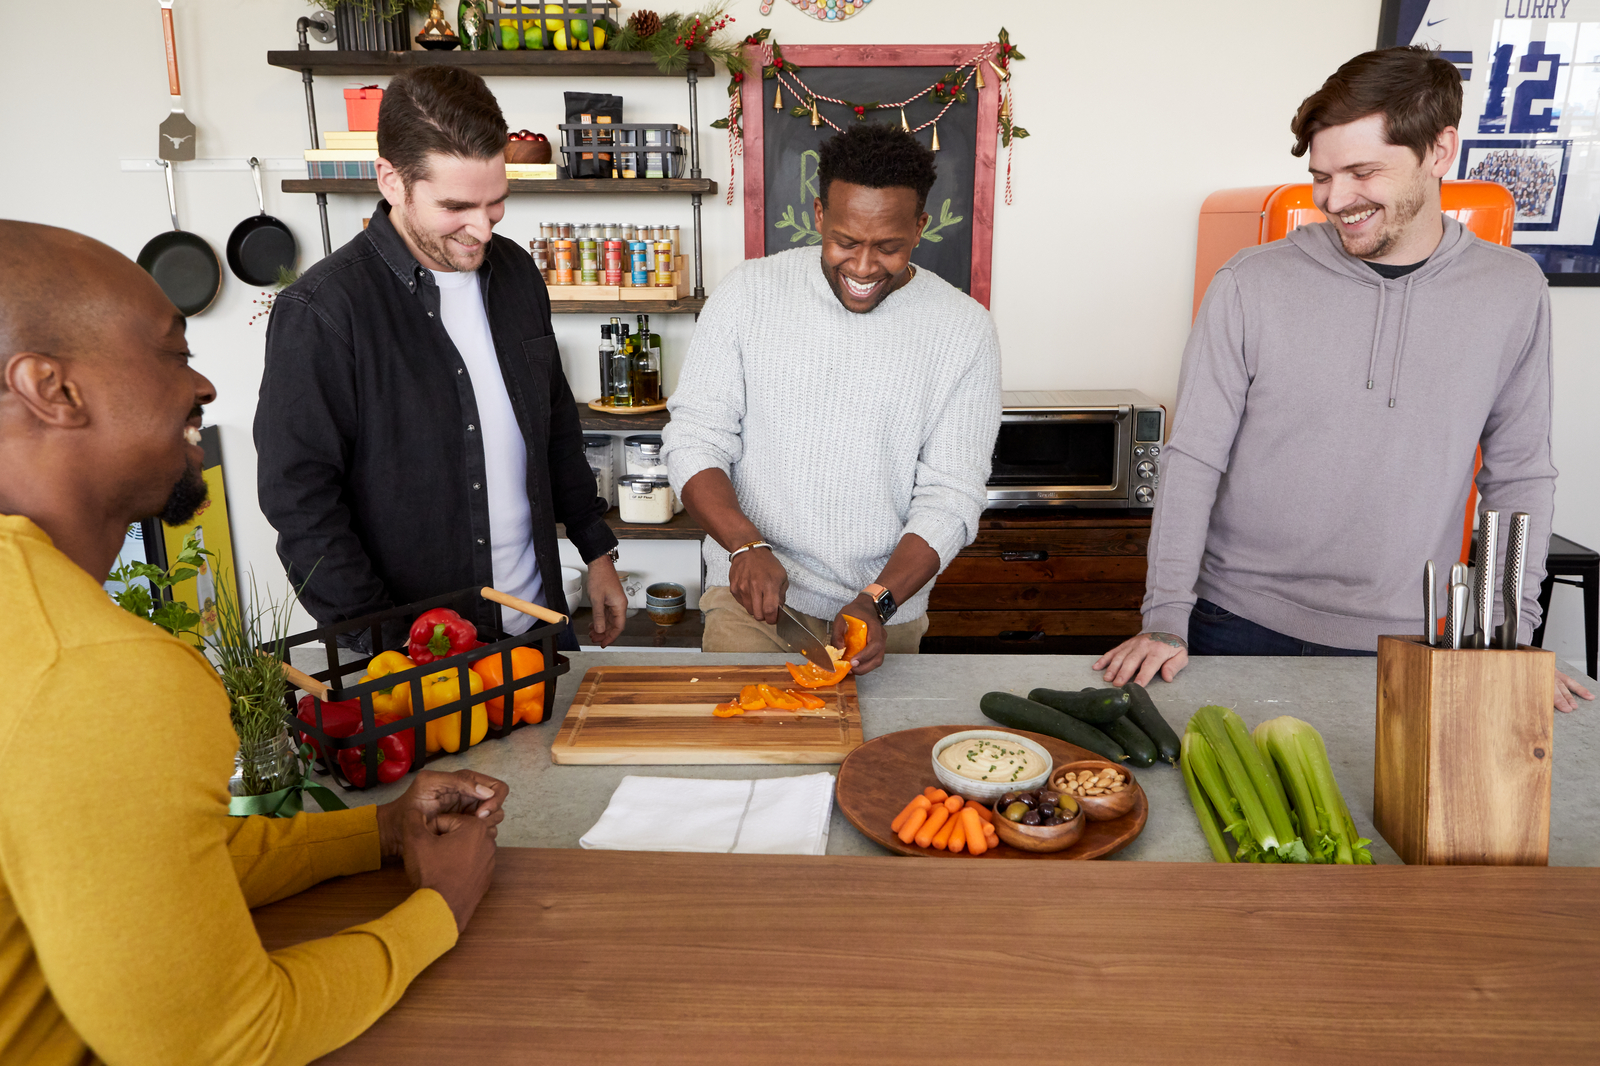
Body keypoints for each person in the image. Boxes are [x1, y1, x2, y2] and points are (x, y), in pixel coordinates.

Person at [0, 220, 507, 1064]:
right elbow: (222, 1043)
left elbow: (145, 869)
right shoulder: (92, 672)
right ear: (52, 389)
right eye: (171, 351)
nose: (200, 384)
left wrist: (376, 834)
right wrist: (438, 912)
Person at [1094, 46, 1593, 713]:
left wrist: (1507, 639)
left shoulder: (1512, 290)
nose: (1334, 198)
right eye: (1322, 175)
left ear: (1439, 151)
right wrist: (1165, 616)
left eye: (1361, 171)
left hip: (1414, 636)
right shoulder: (1251, 282)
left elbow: (1519, 473)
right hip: (1235, 622)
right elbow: (1193, 459)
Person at [256, 66, 625, 651]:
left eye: (497, 203)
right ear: (392, 181)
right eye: (456, 206)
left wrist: (595, 548)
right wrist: (394, 648)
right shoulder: (324, 311)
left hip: (539, 631)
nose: (482, 228)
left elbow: (553, 424)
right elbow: (301, 507)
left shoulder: (516, 275)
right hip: (412, 657)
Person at [663, 124, 1001, 671]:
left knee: (873, 755)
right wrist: (745, 546)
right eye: (846, 242)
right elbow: (695, 438)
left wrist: (879, 600)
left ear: (920, 227)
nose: (864, 268)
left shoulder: (964, 330)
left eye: (888, 247)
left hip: (884, 613)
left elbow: (953, 496)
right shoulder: (748, 294)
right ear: (819, 215)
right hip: (753, 603)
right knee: (744, 749)